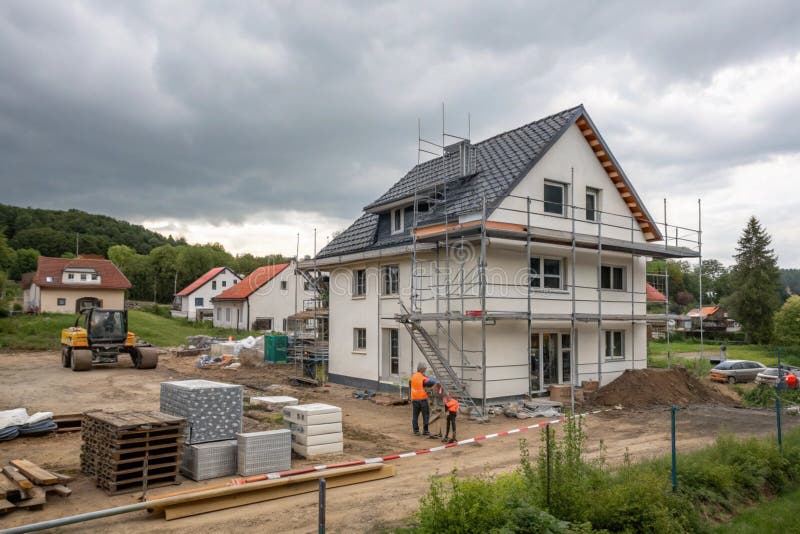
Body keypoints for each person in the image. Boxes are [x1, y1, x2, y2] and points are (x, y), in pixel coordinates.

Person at [410, 362, 438, 436]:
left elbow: (411, 384)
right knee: (426, 415)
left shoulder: (413, 376)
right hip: (422, 400)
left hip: (414, 399)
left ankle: (416, 431)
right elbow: (432, 382)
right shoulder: (423, 378)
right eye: (425, 369)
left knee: (415, 416)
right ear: (423, 370)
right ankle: (425, 431)